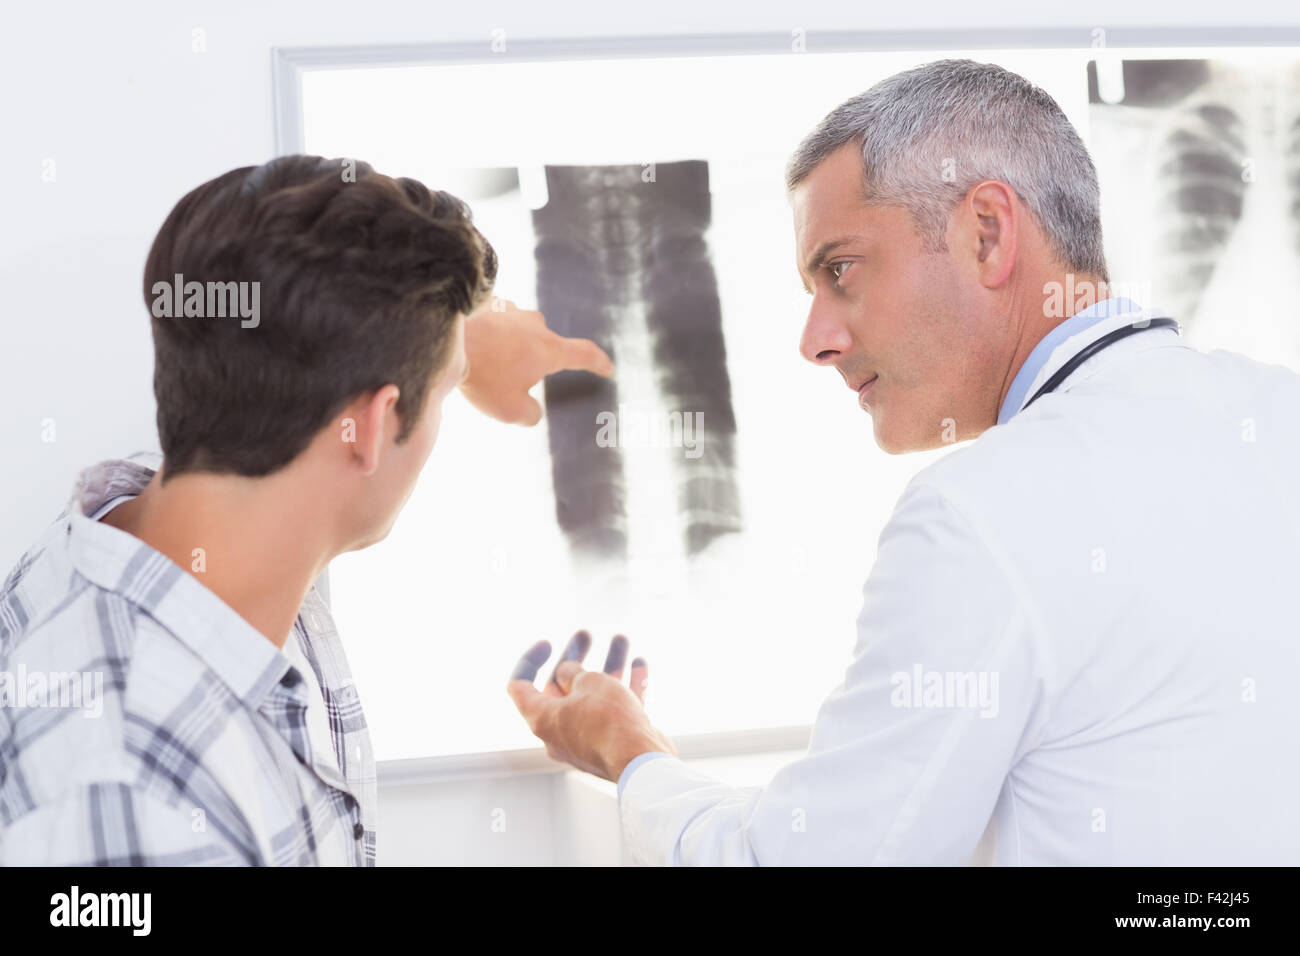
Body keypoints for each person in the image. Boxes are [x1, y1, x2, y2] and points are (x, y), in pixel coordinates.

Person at [506, 59, 1300, 865]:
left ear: (987, 234)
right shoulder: (1282, 412)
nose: (815, 340)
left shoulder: (981, 514)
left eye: (840, 270)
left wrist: (633, 754)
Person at [0, 155, 611, 865]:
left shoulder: (160, 503)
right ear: (375, 425)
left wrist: (449, 339)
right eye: (448, 390)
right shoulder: (143, 814)